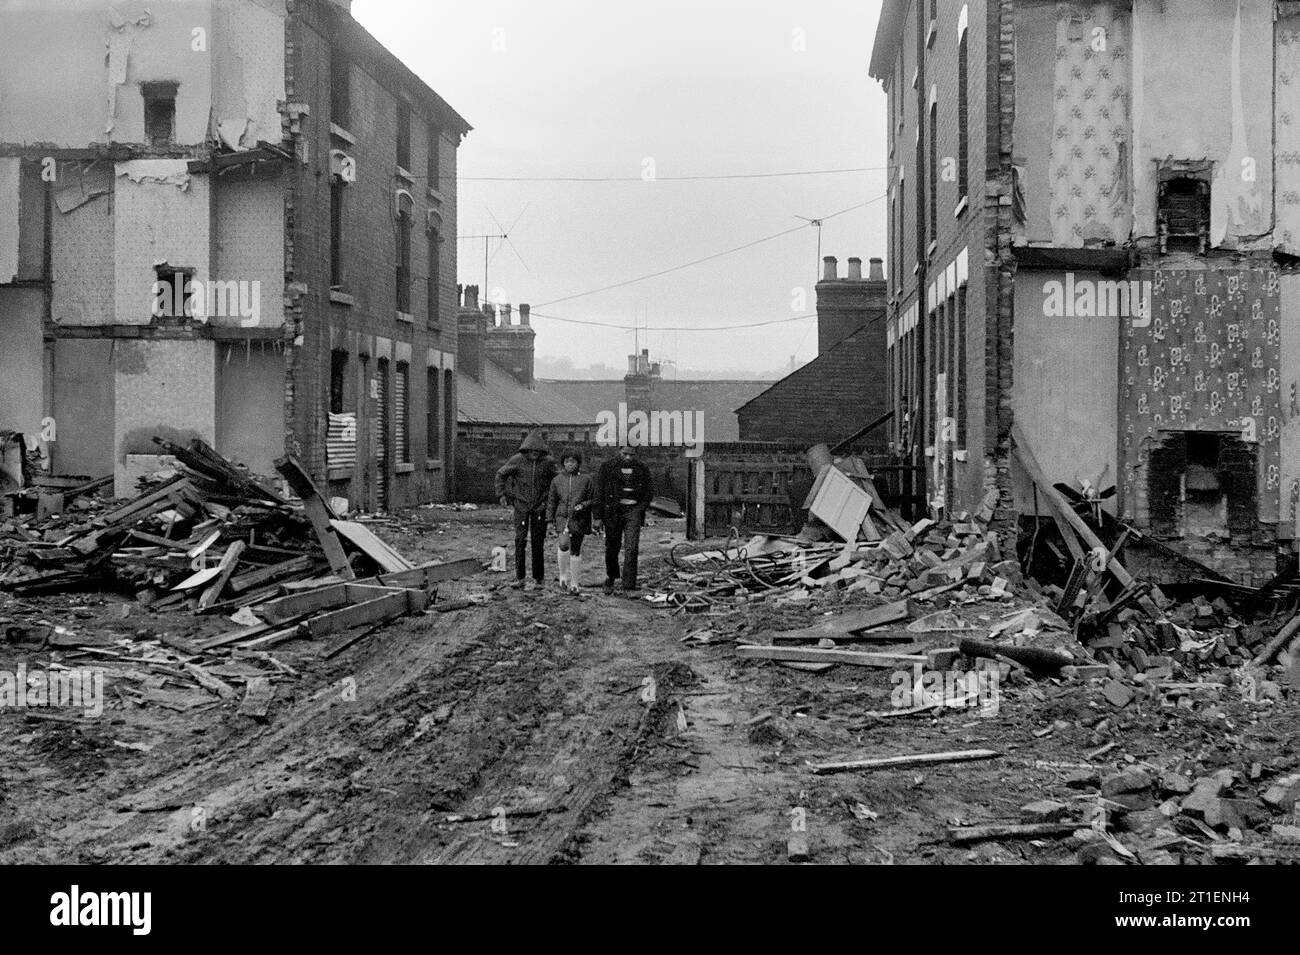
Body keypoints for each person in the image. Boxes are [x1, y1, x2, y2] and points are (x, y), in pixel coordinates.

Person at [494, 429, 557, 590]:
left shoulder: (548, 462)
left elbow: (556, 481)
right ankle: (520, 578)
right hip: (521, 506)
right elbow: (501, 474)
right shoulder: (517, 460)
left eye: (537, 451)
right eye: (531, 451)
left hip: (539, 507)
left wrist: (549, 500)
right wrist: (501, 494)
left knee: (538, 542)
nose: (534, 454)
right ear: (526, 450)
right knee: (520, 541)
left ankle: (539, 579)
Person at [592, 444, 654, 595]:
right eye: (625, 453)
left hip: (633, 511)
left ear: (636, 454)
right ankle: (611, 577)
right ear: (619, 450)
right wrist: (597, 517)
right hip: (613, 511)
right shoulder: (608, 467)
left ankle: (628, 584)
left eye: (631, 455)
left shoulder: (642, 469)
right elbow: (599, 491)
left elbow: (649, 491)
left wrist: (640, 508)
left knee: (632, 547)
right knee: (612, 545)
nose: (628, 457)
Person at [545, 450, 594, 594]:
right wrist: (549, 520)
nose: (570, 464)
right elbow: (551, 501)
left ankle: (575, 583)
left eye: (573, 461)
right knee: (564, 544)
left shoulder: (586, 479)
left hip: (579, 518)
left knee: (576, 549)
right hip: (562, 518)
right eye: (567, 461)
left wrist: (583, 505)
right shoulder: (557, 480)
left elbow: (593, 499)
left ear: (578, 463)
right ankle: (563, 576)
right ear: (563, 463)